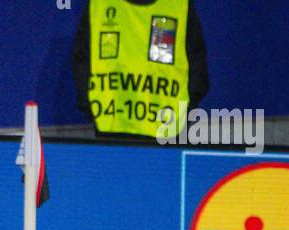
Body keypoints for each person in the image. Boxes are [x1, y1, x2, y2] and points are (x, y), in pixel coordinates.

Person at [73, 0, 209, 140]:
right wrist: (89, 107)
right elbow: (82, 59)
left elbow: (197, 64)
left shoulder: (179, 5)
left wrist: (187, 110)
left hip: (167, 130)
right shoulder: (100, 5)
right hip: (111, 126)